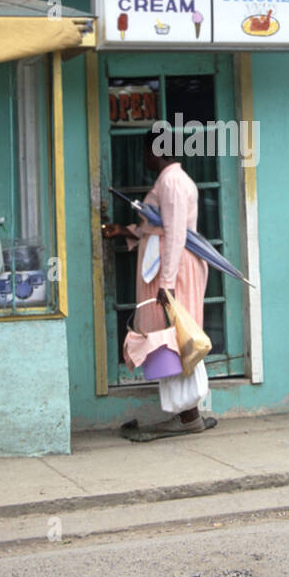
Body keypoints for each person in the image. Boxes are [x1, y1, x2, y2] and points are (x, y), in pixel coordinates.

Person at [102, 127, 217, 440]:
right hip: (169, 269)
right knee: (170, 338)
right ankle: (184, 415)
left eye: (146, 150)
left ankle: (188, 416)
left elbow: (177, 234)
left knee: (173, 339)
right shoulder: (170, 180)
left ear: (157, 151)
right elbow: (159, 228)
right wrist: (126, 230)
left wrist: (167, 285)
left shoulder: (172, 182)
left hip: (174, 272)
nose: (144, 157)